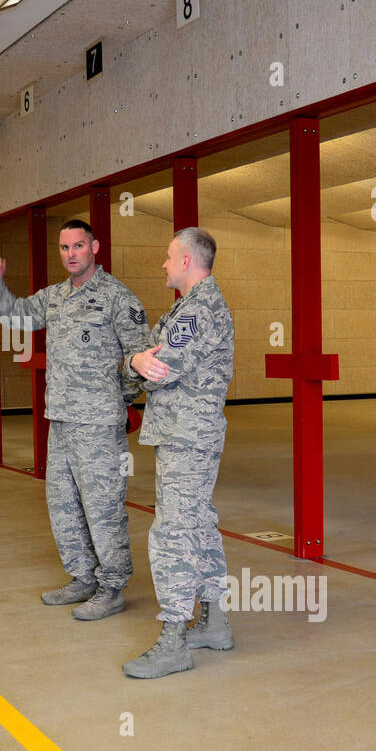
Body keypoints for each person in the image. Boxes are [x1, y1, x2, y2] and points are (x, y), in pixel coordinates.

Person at [0, 219, 150, 621]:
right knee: (63, 503)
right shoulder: (54, 297)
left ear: (95, 247)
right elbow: (16, 316)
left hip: (98, 425)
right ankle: (83, 576)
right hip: (60, 420)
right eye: (64, 247)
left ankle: (112, 586)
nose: (71, 254)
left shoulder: (117, 298)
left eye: (78, 246)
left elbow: (142, 358)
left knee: (103, 506)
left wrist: (118, 400)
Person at [122, 226, 234, 679]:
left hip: (188, 436)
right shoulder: (185, 308)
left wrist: (140, 365)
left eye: (169, 257)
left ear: (187, 261)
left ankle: (173, 641)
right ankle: (215, 622)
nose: (164, 265)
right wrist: (137, 360)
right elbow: (145, 352)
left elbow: (158, 367)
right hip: (186, 433)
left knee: (172, 532)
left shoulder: (198, 310)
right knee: (198, 523)